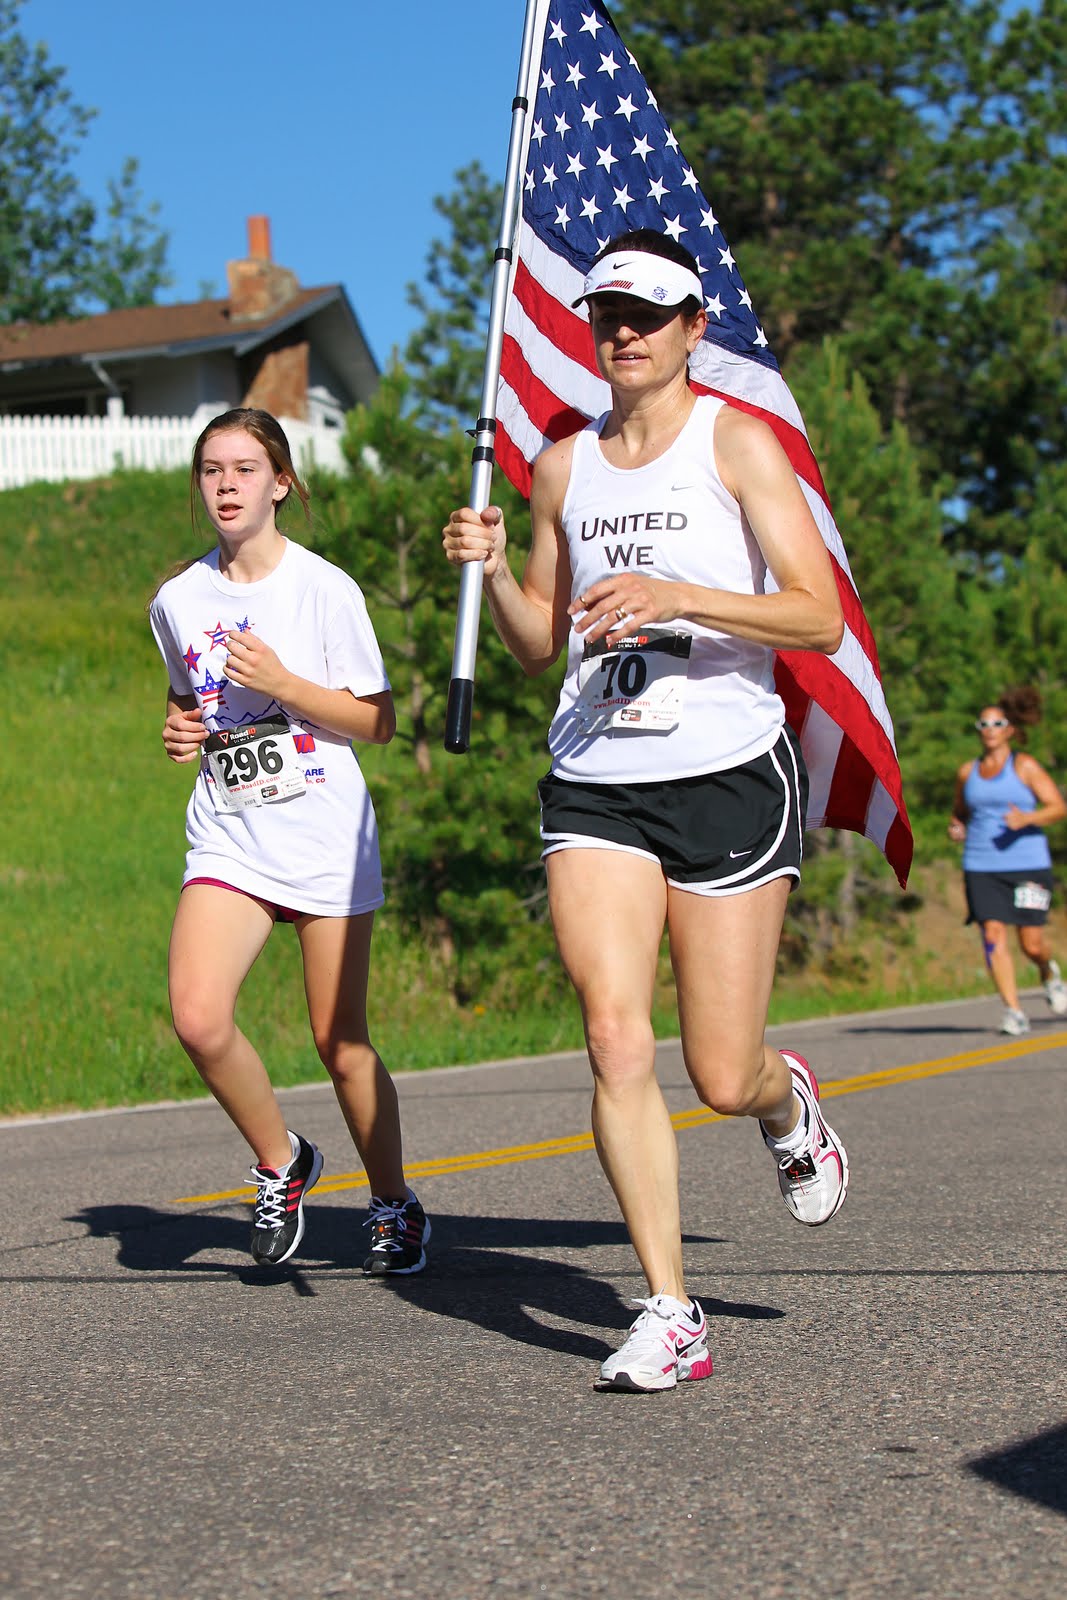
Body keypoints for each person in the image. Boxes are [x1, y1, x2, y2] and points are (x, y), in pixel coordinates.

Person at [443, 229, 848, 1392]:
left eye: (645, 314)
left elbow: (815, 616)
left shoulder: (737, 442)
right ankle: (670, 1309)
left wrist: (678, 593)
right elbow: (538, 644)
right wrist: (499, 574)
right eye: (605, 312)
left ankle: (784, 1103)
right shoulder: (563, 466)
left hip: (724, 771)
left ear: (690, 329)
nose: (620, 331)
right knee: (615, 1034)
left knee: (719, 1071)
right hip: (595, 772)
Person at [149, 407, 429, 1274]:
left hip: (321, 836)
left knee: (338, 1042)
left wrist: (283, 683)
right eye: (210, 471)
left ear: (281, 483)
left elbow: (377, 721)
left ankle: (394, 1202)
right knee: (197, 1017)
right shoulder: (177, 599)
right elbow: (186, 699)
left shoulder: (322, 589)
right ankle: (282, 1162)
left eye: (243, 468)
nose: (225, 485)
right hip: (229, 834)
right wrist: (178, 729)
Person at [948, 685, 1067, 1036]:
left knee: (1031, 943)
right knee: (993, 933)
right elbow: (960, 813)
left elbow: (1058, 807)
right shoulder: (967, 772)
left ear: (1009, 730)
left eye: (996, 723)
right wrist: (958, 827)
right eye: (982, 724)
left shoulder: (1025, 766)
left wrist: (1026, 819)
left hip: (1027, 864)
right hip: (981, 865)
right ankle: (1013, 1010)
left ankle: (1049, 972)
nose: (988, 729)